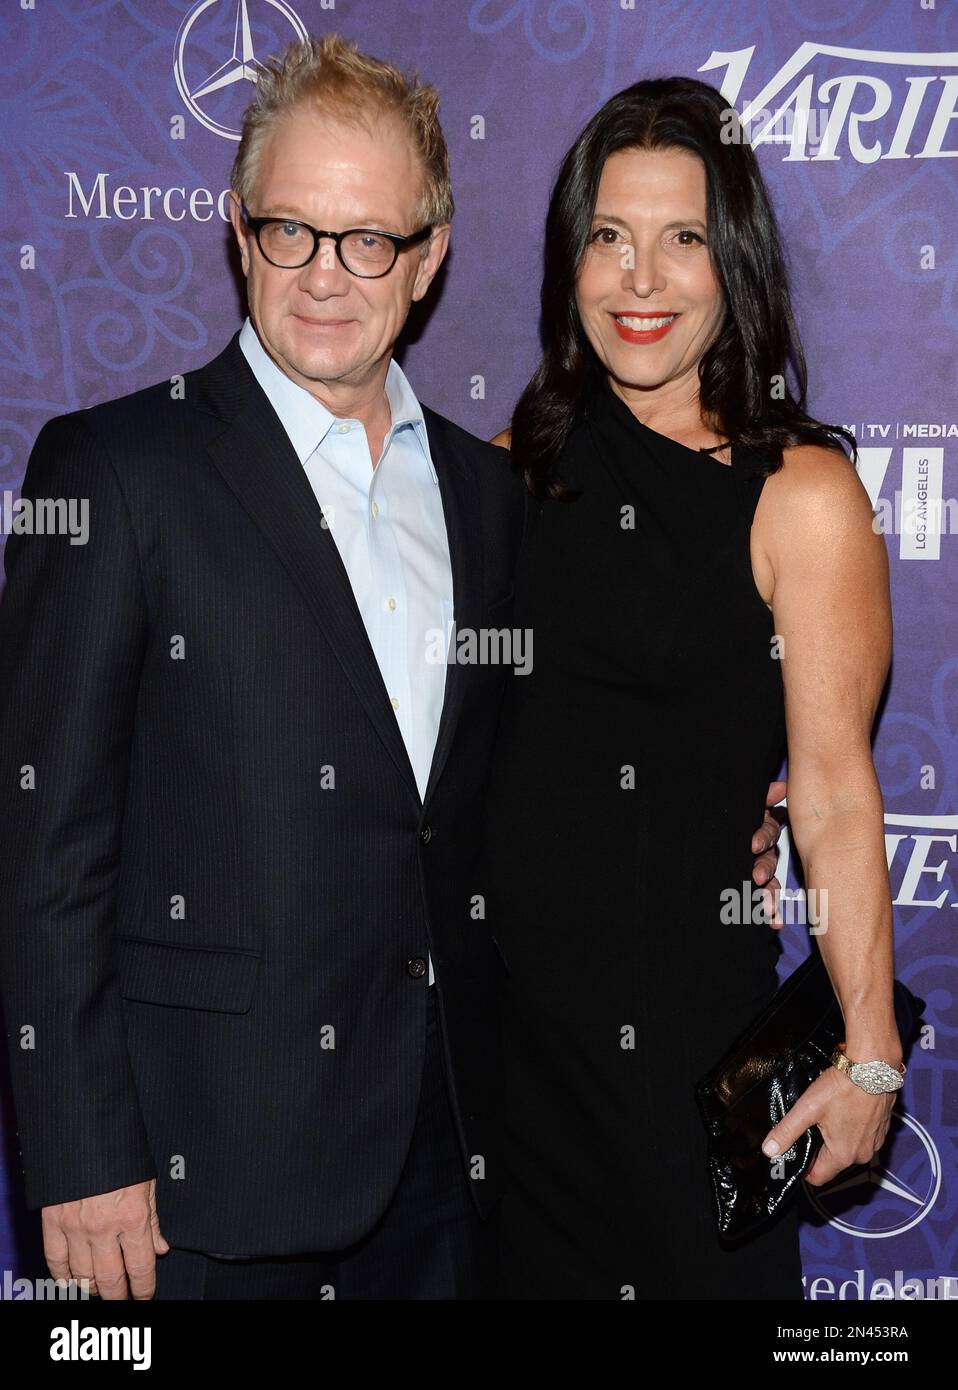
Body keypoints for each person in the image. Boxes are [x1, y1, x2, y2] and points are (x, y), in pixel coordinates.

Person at [0, 39, 783, 1302]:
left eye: (367, 240)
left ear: (424, 261)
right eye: (292, 231)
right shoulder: (117, 472)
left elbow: (573, 735)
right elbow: (41, 842)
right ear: (237, 234)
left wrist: (727, 821)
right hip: (203, 1179)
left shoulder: (497, 493)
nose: (325, 275)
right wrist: (83, 1157)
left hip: (462, 1164)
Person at [486, 76, 901, 1300]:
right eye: (608, 239)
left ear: (735, 261)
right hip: (503, 1068)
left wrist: (871, 1056)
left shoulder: (800, 497)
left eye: (682, 240)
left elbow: (830, 790)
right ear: (571, 263)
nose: (641, 280)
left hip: (683, 1061)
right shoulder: (506, 478)